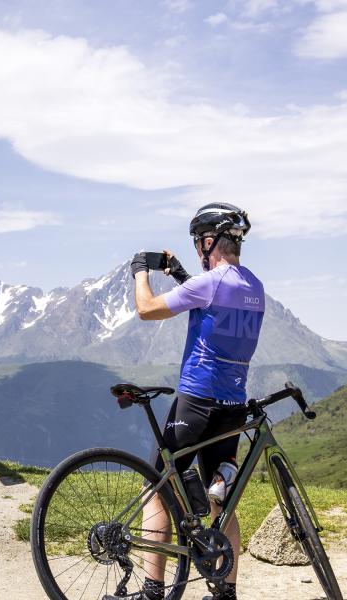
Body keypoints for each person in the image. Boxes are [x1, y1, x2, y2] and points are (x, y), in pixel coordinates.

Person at [128, 202, 263, 600]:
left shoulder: (210, 284)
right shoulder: (254, 287)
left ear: (208, 241)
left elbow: (147, 309)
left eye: (199, 244)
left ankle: (154, 589)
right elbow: (213, 311)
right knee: (223, 495)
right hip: (233, 406)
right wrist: (181, 274)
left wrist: (141, 272)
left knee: (156, 488)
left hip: (197, 403)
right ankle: (225, 592)